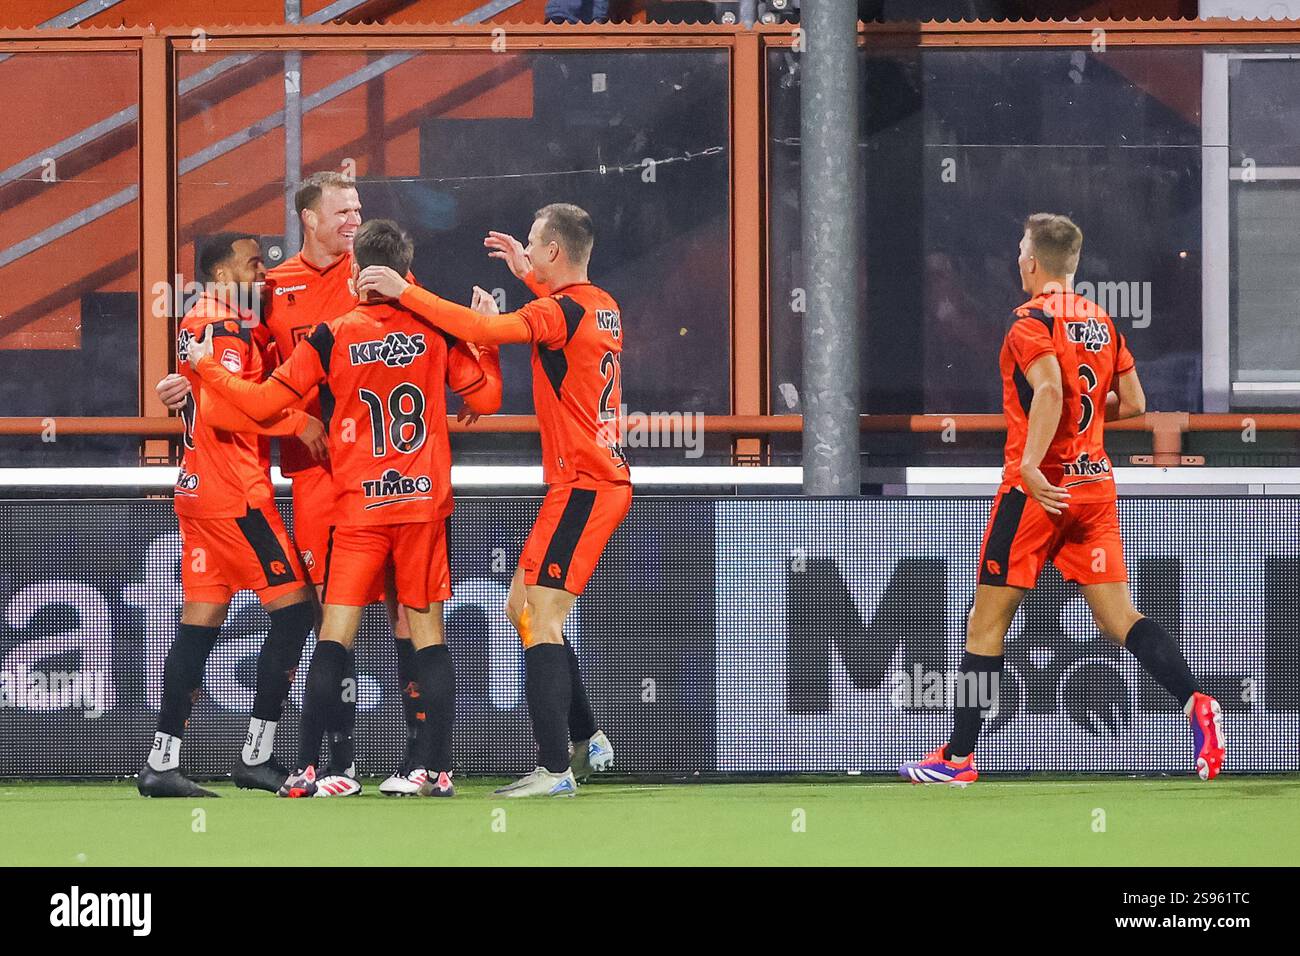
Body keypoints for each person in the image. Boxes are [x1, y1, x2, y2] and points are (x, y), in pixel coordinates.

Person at [899, 213, 1226, 785]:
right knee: (1121, 618)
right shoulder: (1102, 322)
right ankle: (1196, 699)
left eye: (1021, 250)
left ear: (1032, 263)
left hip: (1038, 491)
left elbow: (1049, 388)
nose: (1018, 259)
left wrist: (1030, 463)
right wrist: (1083, 423)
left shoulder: (1028, 321)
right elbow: (1133, 403)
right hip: (1094, 487)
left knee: (984, 626)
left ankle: (956, 759)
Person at [187, 219, 501, 798]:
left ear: (356, 272)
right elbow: (485, 397)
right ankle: (434, 771)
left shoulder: (331, 335)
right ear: (405, 273)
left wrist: (204, 367)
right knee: (426, 632)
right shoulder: (435, 326)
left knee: (333, 634)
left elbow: (259, 401)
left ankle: (310, 770)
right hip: (423, 510)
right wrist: (483, 343)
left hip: (359, 510)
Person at [156, 172, 428, 795]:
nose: (355, 219)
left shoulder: (387, 280)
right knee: (328, 612)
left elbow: (432, 342)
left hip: (385, 475)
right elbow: (233, 377)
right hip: (304, 480)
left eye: (360, 208)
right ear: (309, 218)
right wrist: (188, 386)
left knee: (401, 613)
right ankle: (336, 760)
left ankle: (418, 759)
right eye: (343, 209)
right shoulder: (268, 294)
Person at [357, 203, 628, 797]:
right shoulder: (601, 305)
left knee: (542, 619)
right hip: (582, 484)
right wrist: (527, 276)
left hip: (586, 486)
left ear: (554, 251)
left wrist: (406, 292)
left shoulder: (556, 311)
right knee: (520, 609)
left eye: (533, 243)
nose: (526, 249)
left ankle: (555, 769)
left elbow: (482, 331)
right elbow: (562, 316)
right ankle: (587, 739)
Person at [138, 233, 325, 798]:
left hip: (197, 490)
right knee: (295, 615)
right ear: (222, 272)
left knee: (200, 624)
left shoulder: (199, 322)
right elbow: (227, 407)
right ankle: (256, 756)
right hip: (236, 495)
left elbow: (205, 398)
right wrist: (298, 423)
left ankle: (161, 761)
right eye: (250, 261)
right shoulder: (221, 326)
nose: (261, 270)